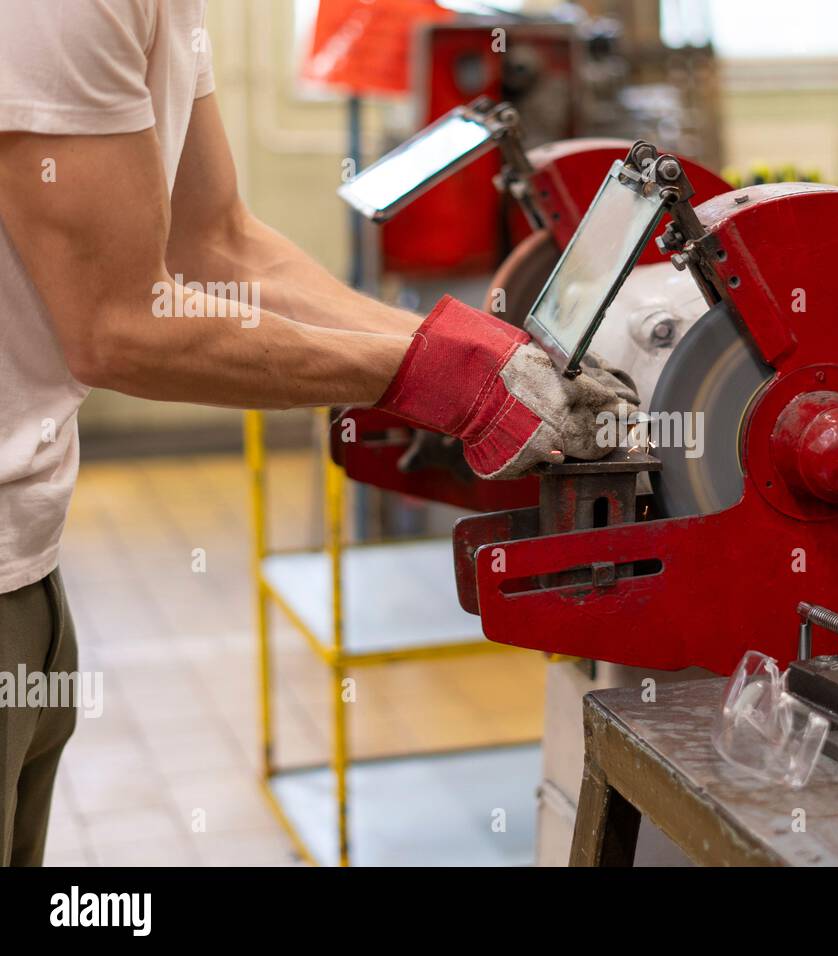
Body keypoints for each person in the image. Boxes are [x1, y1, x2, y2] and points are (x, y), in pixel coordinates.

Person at [0, 0, 634, 865]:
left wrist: (458, 349)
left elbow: (217, 246)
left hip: (28, 558)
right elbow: (117, 325)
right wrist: (431, 381)